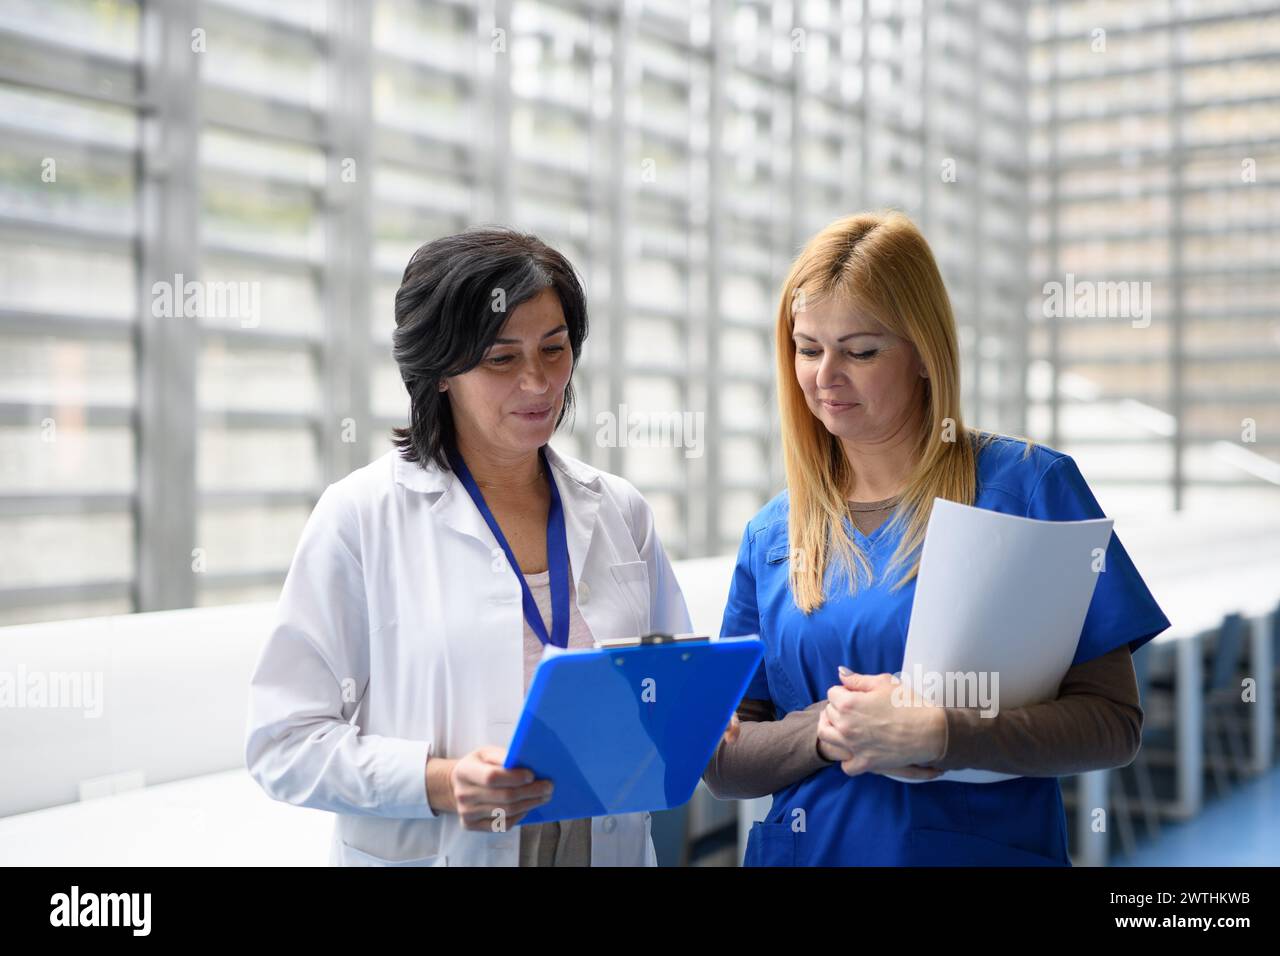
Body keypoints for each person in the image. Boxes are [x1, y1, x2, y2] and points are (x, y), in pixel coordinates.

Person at [703, 211, 1170, 866]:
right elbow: (724, 761)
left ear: (924, 351)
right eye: (808, 349)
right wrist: (835, 728)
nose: (826, 376)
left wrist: (939, 731)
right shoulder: (773, 535)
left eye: (860, 350)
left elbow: (1111, 726)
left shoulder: (1030, 491)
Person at [245, 228, 692, 866]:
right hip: (450, 843)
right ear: (442, 371)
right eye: (501, 359)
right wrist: (440, 784)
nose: (538, 382)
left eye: (554, 349)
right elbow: (281, 743)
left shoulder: (619, 511)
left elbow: (669, 688)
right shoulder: (361, 519)